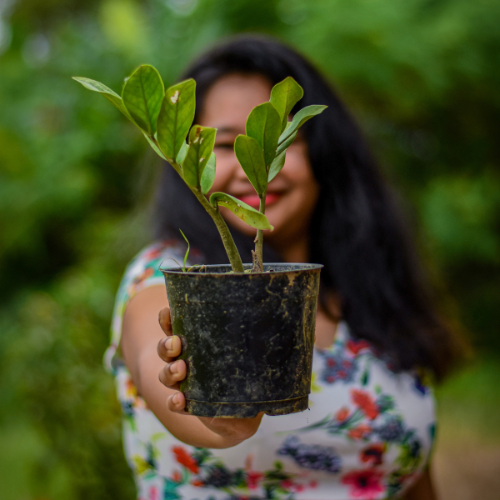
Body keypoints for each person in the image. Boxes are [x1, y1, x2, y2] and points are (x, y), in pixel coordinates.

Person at [105, 35, 461, 500]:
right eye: (227, 143)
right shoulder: (171, 276)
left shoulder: (368, 292)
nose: (259, 169)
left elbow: (410, 472)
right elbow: (152, 342)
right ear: (187, 160)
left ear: (324, 153)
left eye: (279, 143)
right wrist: (216, 411)